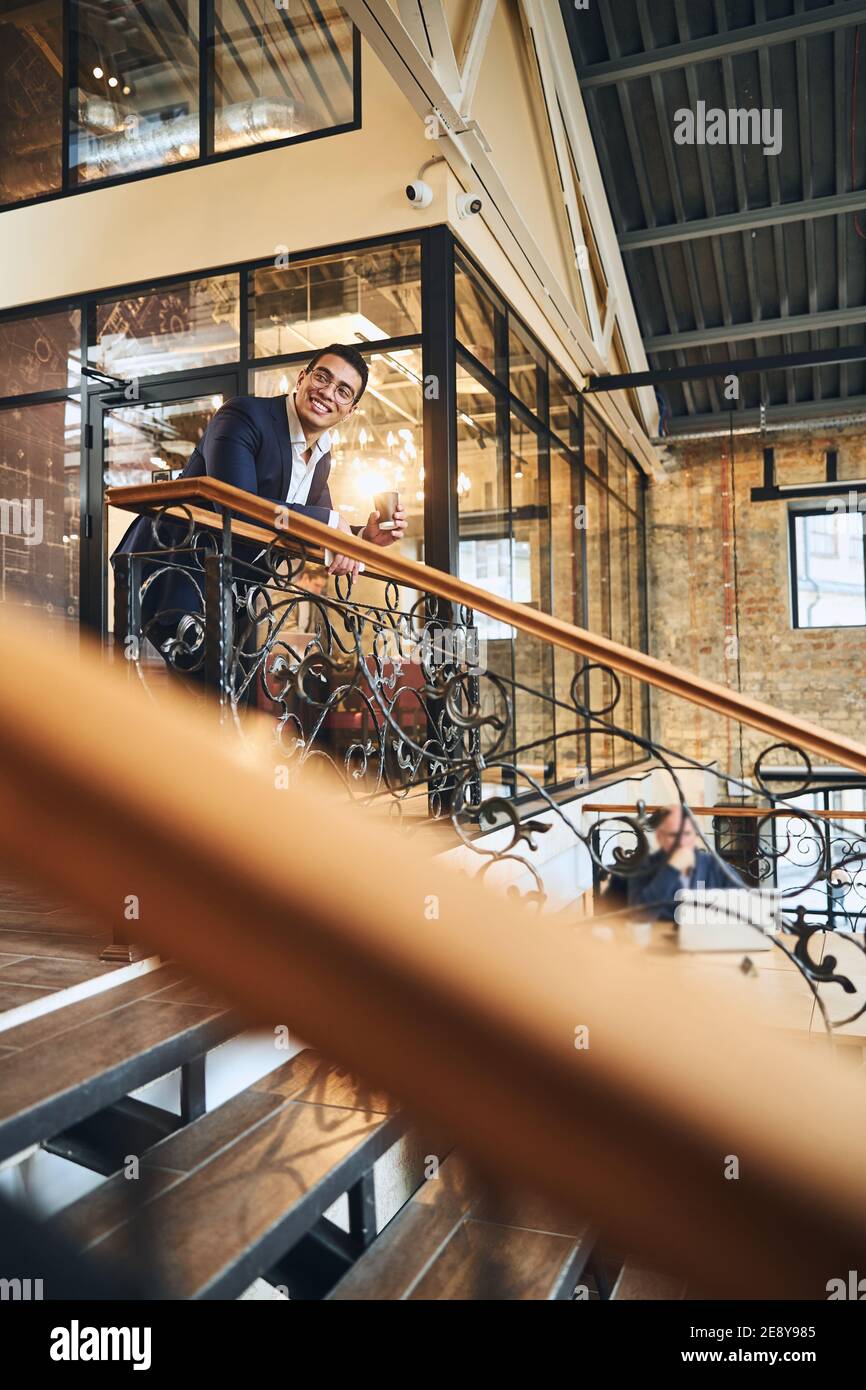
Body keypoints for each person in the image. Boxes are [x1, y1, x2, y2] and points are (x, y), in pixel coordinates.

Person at [112, 344, 407, 667]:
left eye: (343, 391)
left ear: (349, 411)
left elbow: (312, 526)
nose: (327, 393)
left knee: (229, 705)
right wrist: (330, 524)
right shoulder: (243, 416)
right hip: (168, 580)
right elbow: (236, 506)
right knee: (186, 703)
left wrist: (362, 536)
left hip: (233, 596)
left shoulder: (321, 457)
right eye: (322, 377)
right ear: (301, 378)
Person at [602, 805, 743, 921]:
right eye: (673, 835)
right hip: (659, 947)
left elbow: (744, 905)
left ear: (695, 835)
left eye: (687, 834)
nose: (681, 842)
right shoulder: (643, 867)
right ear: (659, 837)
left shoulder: (715, 866)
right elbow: (640, 917)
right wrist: (671, 869)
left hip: (709, 942)